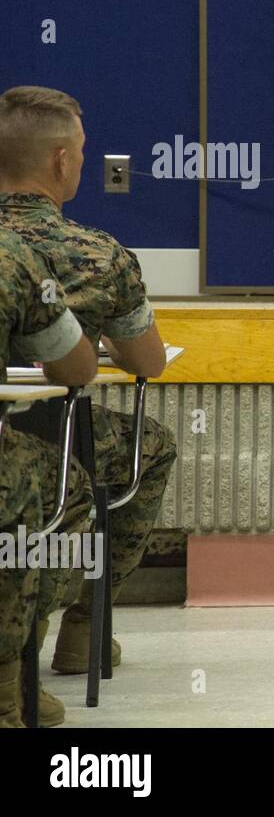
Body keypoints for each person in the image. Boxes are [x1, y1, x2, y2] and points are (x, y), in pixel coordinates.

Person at [0, 86, 175, 680]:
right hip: (62, 436)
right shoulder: (99, 255)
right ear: (61, 161)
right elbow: (148, 361)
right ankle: (84, 623)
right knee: (149, 445)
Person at [0, 228, 98, 726]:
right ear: (62, 162)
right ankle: (12, 680)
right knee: (68, 488)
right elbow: (77, 367)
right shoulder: (14, 257)